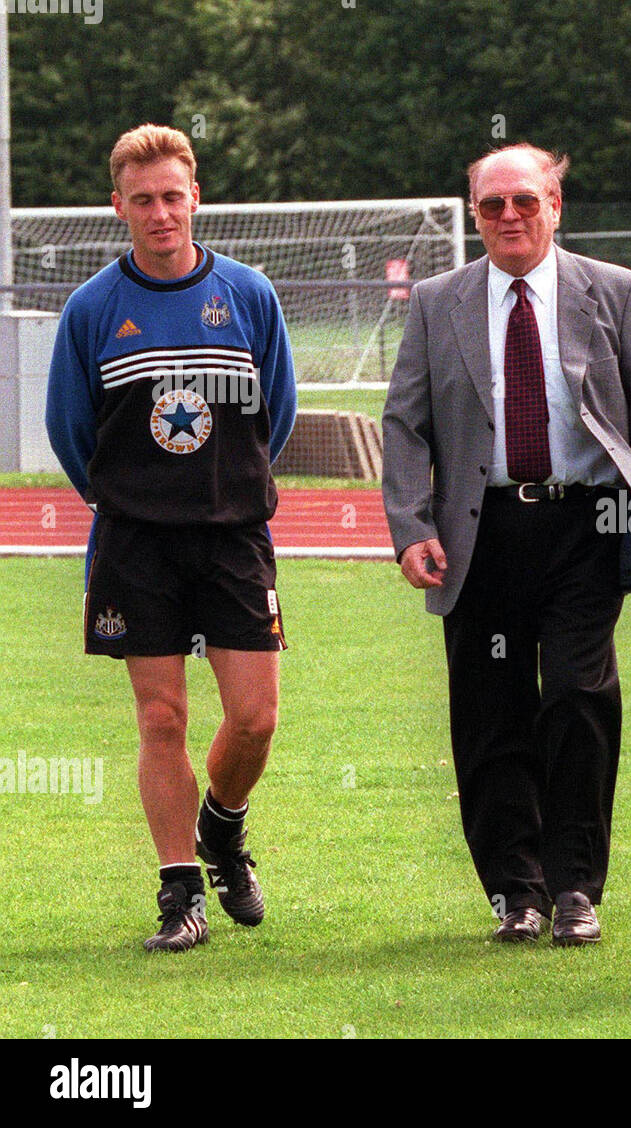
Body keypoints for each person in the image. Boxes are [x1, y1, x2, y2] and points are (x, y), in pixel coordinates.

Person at [382, 143, 631, 947]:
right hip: (480, 533)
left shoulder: (615, 291)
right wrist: (412, 528)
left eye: (526, 202)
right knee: (491, 715)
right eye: (493, 205)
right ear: (474, 213)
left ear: (555, 206)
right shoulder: (438, 302)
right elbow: (404, 422)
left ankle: (576, 887)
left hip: (585, 526)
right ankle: (517, 890)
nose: (510, 217)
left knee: (578, 697)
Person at [45, 124, 297, 952]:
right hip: (136, 546)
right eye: (143, 200)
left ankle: (221, 830)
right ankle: (178, 893)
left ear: (197, 198)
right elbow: (70, 430)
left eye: (173, 197)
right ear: (118, 206)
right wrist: (137, 502)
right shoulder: (91, 309)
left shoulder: (250, 295)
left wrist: (224, 491)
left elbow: (277, 414)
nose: (161, 213)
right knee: (161, 720)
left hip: (233, 540)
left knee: (254, 718)